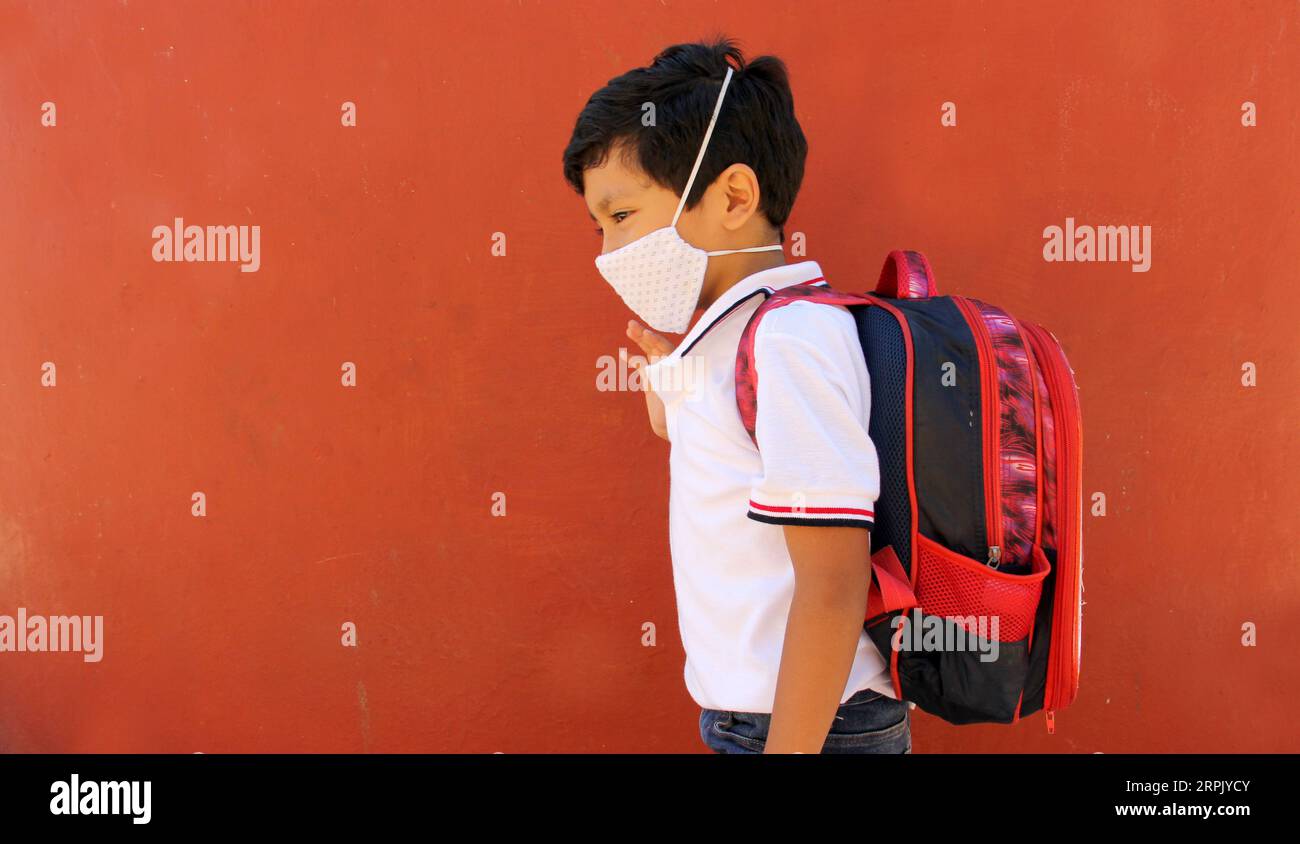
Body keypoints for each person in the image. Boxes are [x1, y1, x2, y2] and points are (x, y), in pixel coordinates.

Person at [562, 37, 911, 754]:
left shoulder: (790, 343)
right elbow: (726, 453)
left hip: (812, 730)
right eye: (598, 226)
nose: (606, 252)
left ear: (733, 197)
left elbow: (832, 584)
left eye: (621, 217)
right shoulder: (731, 336)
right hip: (764, 724)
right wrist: (671, 382)